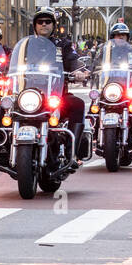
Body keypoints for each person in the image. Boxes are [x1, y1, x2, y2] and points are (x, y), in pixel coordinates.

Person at [32, 10, 90, 162]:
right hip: (30, 95)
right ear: (35, 25)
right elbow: (14, 61)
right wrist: (1, 72)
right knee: (7, 106)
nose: (44, 24)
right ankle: (4, 143)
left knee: (78, 104)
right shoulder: (27, 44)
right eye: (40, 22)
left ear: (54, 25)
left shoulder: (62, 45)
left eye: (47, 21)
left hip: (56, 95)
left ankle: (72, 150)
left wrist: (79, 71)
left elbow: (72, 59)